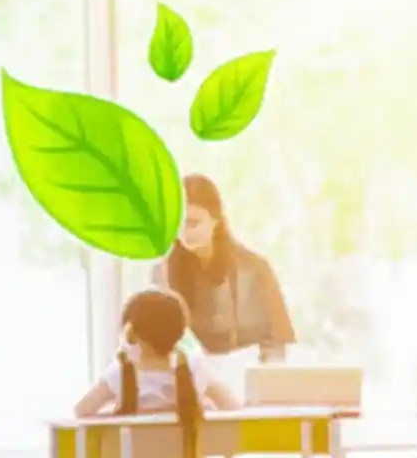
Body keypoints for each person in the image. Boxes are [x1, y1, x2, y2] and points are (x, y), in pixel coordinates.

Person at [153, 174, 295, 391]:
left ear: (216, 220)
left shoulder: (254, 269)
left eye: (193, 223)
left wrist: (266, 387)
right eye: (179, 223)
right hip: (186, 387)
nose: (185, 232)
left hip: (247, 382)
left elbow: (276, 342)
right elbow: (155, 346)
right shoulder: (163, 271)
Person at [74, 288, 239, 458]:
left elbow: (82, 411)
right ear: (181, 332)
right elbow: (232, 407)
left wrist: (114, 417)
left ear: (129, 331)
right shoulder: (194, 370)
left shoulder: (119, 374)